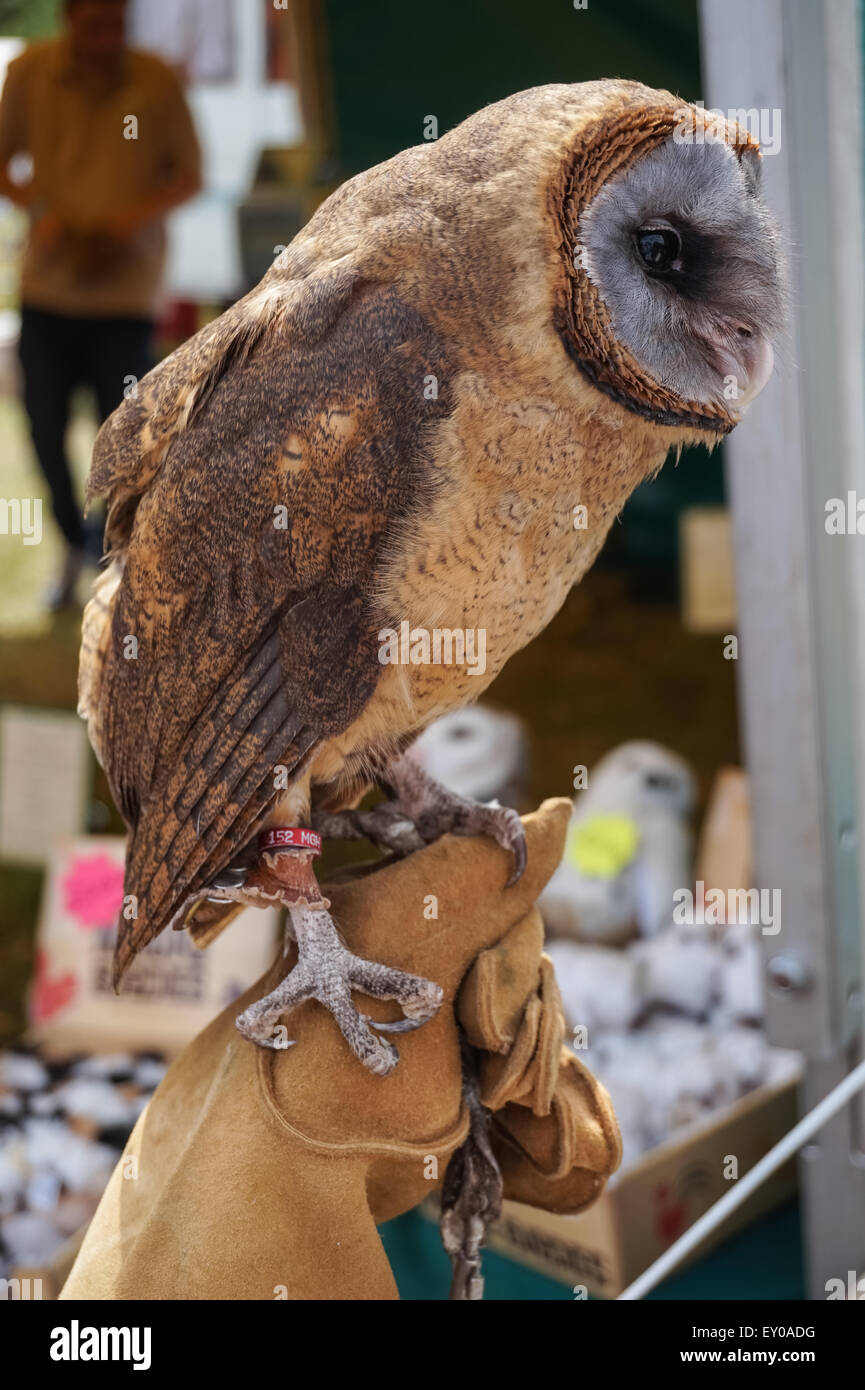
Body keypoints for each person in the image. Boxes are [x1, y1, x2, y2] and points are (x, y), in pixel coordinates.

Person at [0, 0, 201, 608]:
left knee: (127, 435)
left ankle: (118, 559)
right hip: (49, 288)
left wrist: (125, 223)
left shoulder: (156, 80)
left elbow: (187, 174)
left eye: (115, 24)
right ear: (68, 18)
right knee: (42, 423)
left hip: (124, 293)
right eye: (93, 24)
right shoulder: (30, 73)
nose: (105, 38)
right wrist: (43, 209)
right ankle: (75, 543)